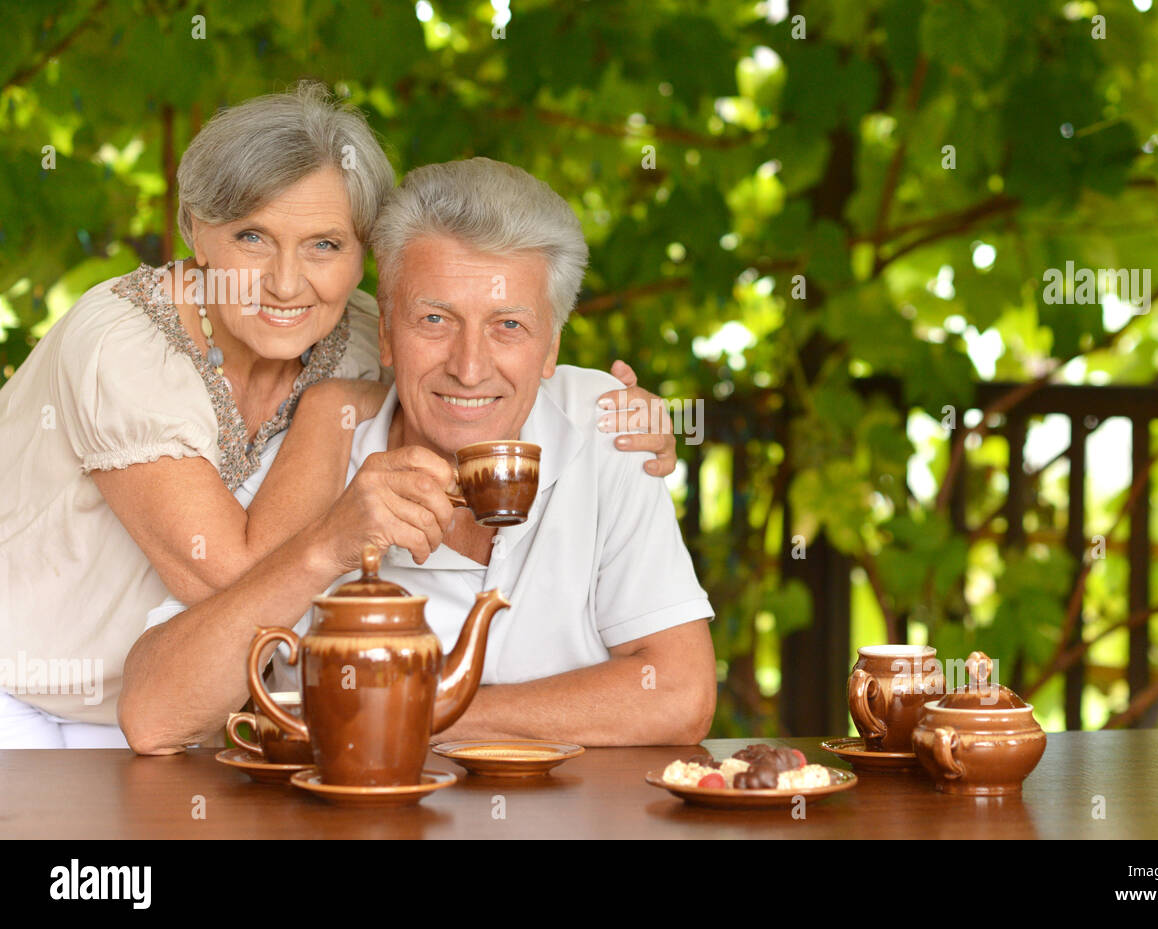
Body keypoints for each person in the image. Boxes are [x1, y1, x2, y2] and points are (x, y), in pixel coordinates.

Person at [0, 84, 676, 748]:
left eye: (325, 244)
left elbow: (484, 357)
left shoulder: (353, 335)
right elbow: (237, 586)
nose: (287, 282)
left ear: (363, 258)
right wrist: (332, 417)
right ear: (196, 232)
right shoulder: (122, 346)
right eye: (253, 237)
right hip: (22, 691)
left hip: (171, 724)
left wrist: (613, 413)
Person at [119, 158, 716, 752]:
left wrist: (405, 711)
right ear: (384, 333)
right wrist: (325, 545)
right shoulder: (318, 453)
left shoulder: (610, 424)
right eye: (434, 319)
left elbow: (679, 696)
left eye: (508, 325)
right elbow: (154, 718)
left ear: (550, 347)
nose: (469, 367)